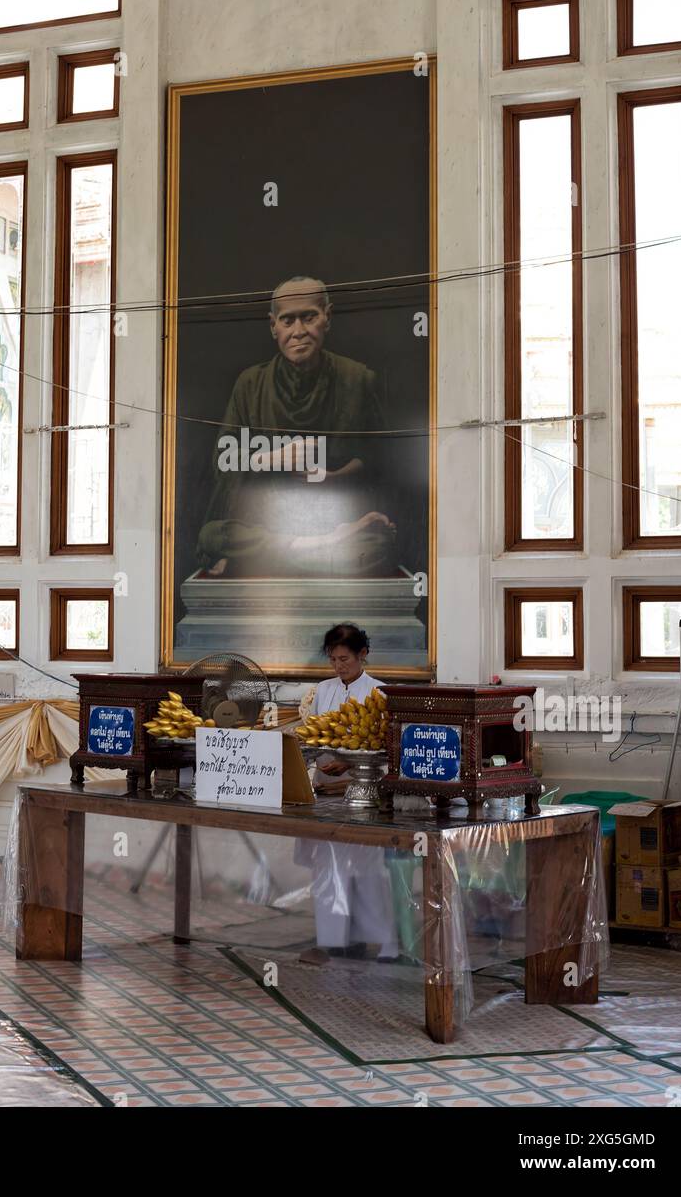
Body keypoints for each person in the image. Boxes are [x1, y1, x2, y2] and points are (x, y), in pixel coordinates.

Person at [197, 277, 396, 577]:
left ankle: (283, 553)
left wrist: (332, 478)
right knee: (211, 536)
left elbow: (378, 461)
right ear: (272, 325)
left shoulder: (357, 379)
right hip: (264, 523)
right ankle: (319, 548)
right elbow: (222, 460)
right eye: (287, 320)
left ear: (327, 317)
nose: (298, 331)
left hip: (333, 517)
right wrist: (272, 459)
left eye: (309, 317)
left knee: (379, 543)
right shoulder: (251, 383)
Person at [296, 623, 399, 964]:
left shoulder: (380, 693)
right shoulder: (323, 690)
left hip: (363, 792)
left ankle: (383, 942)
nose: (339, 667)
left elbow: (384, 749)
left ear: (363, 655)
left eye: (345, 659)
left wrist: (347, 764)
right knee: (327, 866)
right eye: (333, 660)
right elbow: (313, 735)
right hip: (325, 791)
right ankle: (334, 940)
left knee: (366, 868)